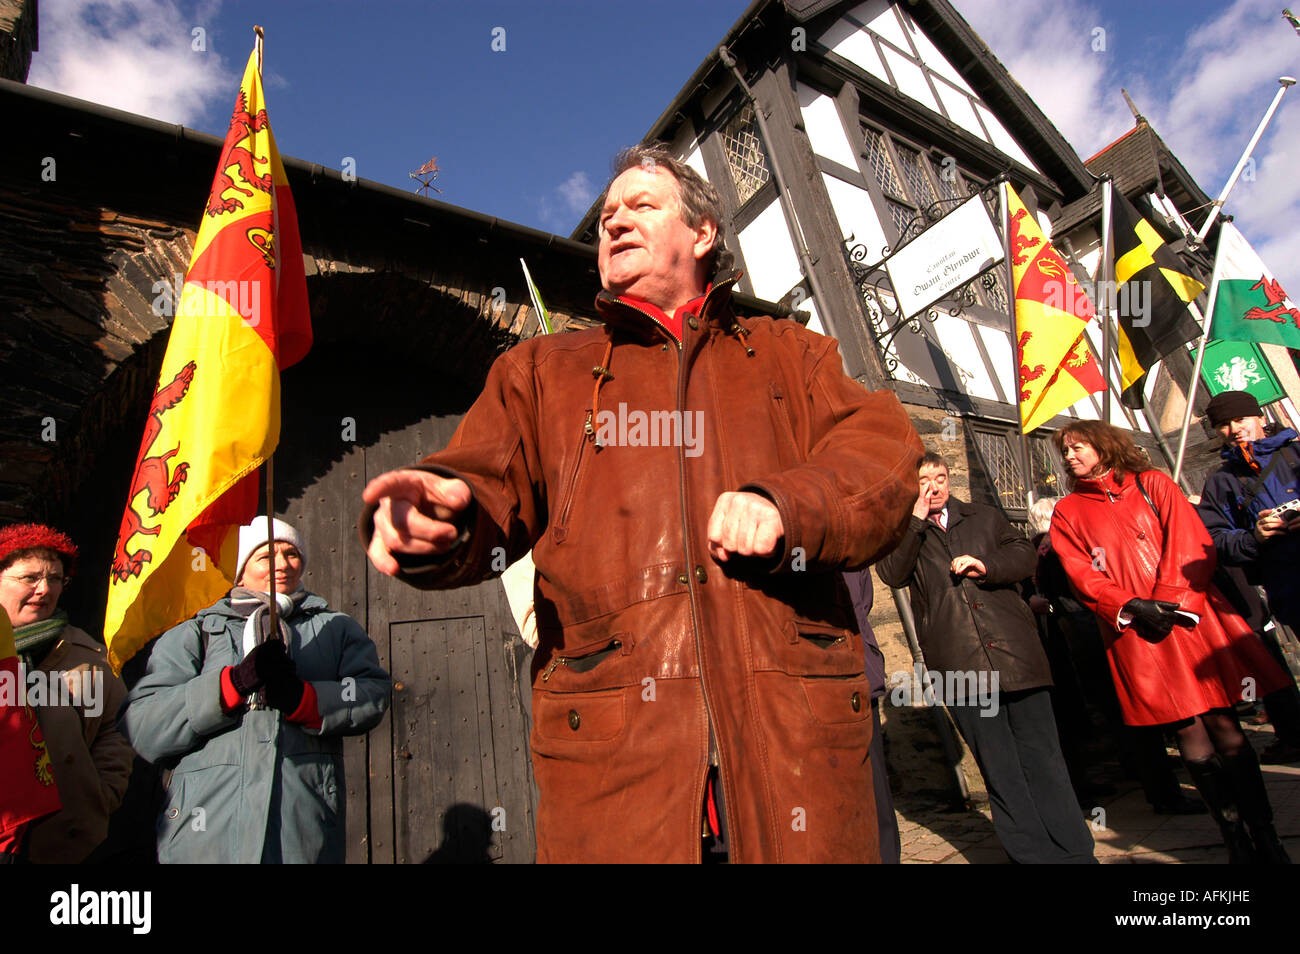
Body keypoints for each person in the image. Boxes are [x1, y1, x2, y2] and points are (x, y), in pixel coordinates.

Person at [358, 143, 923, 863]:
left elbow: (883, 448)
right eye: (606, 217)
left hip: (797, 752)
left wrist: (789, 505)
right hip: (616, 767)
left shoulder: (789, 352)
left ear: (703, 233)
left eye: (642, 206)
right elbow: (483, 482)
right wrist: (444, 511)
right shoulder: (542, 371)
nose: (615, 221)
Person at [1049, 421, 1291, 863]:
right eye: (1065, 450)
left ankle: (1266, 834)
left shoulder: (1153, 483)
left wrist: (1168, 603)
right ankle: (1234, 838)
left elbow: (1190, 541)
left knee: (1225, 726)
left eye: (1078, 446)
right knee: (1187, 731)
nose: (1070, 456)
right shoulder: (1068, 512)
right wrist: (1129, 605)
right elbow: (1081, 572)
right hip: (1136, 632)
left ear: (1104, 446)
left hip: (1190, 619)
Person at [118, 517, 391, 863]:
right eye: (266, 556)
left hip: (299, 828)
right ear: (241, 569)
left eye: (291, 553)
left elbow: (372, 693)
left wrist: (306, 700)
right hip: (204, 831)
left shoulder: (336, 629)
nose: (282, 563)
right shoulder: (196, 633)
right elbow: (143, 725)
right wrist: (229, 687)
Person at [876, 453, 1095, 863]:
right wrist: (916, 520)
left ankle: (1076, 853)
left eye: (940, 477)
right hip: (961, 667)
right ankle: (1031, 856)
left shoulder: (984, 517)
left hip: (1017, 657)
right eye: (924, 481)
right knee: (1000, 770)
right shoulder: (907, 532)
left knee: (1045, 760)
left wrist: (987, 565)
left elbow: (1024, 557)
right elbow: (892, 574)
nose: (935, 486)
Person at [0, 523, 131, 864]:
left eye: (55, 579)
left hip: (63, 838)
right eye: (29, 578)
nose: (44, 589)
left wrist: (100, 793)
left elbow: (117, 728)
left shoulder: (89, 657)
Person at [1196, 389, 1300, 763]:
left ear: (1258, 417)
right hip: (1290, 588)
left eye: (1240, 419)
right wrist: (1253, 537)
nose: (1234, 429)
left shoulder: (1295, 453)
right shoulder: (1222, 481)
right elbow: (1216, 540)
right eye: (1224, 424)